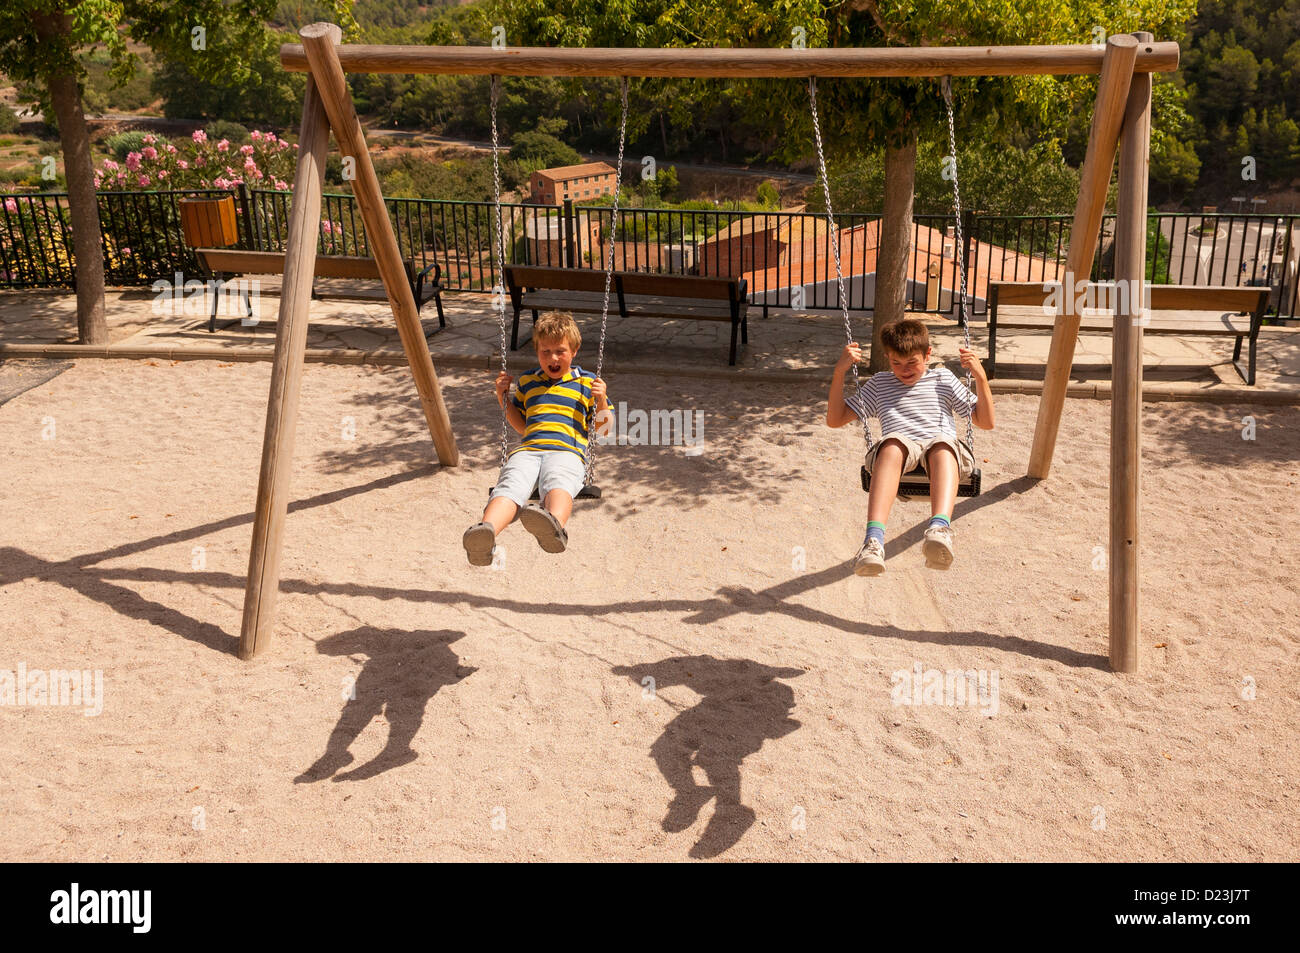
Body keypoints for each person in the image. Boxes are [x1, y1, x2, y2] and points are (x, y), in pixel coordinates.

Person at [826, 318, 995, 574]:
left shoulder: (943, 379)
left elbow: (986, 422)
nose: (904, 370)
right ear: (887, 358)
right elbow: (835, 419)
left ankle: (939, 529)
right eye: (896, 363)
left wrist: (981, 378)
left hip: (938, 448)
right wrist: (840, 372)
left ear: (927, 355)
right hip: (900, 451)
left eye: (912, 362)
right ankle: (873, 542)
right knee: (892, 443)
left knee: (942, 446)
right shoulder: (880, 384)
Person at [463, 310, 609, 565]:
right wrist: (502, 398)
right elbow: (521, 426)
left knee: (558, 482)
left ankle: (553, 527)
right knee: (510, 486)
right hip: (528, 450)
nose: (553, 358)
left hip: (566, 451)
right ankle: (486, 534)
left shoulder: (588, 383)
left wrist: (602, 398)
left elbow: (604, 430)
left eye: (560, 351)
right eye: (545, 351)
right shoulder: (528, 381)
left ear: (573, 351)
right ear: (537, 352)